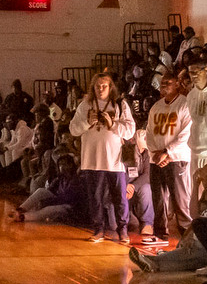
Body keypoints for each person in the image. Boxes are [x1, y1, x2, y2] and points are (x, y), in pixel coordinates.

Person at [70, 72, 137, 243]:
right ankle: (98, 229)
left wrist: (112, 124)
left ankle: (123, 230)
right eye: (97, 86)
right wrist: (87, 123)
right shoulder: (85, 105)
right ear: (93, 88)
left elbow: (130, 131)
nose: (100, 89)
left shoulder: (120, 104)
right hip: (92, 159)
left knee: (120, 198)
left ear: (110, 87)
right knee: (95, 198)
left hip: (114, 160)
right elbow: (73, 129)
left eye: (104, 86)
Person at [139, 71, 194, 242]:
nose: (164, 86)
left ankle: (187, 238)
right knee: (158, 199)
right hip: (157, 159)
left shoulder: (185, 105)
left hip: (177, 159)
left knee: (180, 201)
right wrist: (155, 154)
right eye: (162, 83)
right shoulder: (156, 107)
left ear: (177, 84)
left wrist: (167, 153)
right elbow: (149, 133)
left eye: (168, 83)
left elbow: (186, 134)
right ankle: (160, 234)